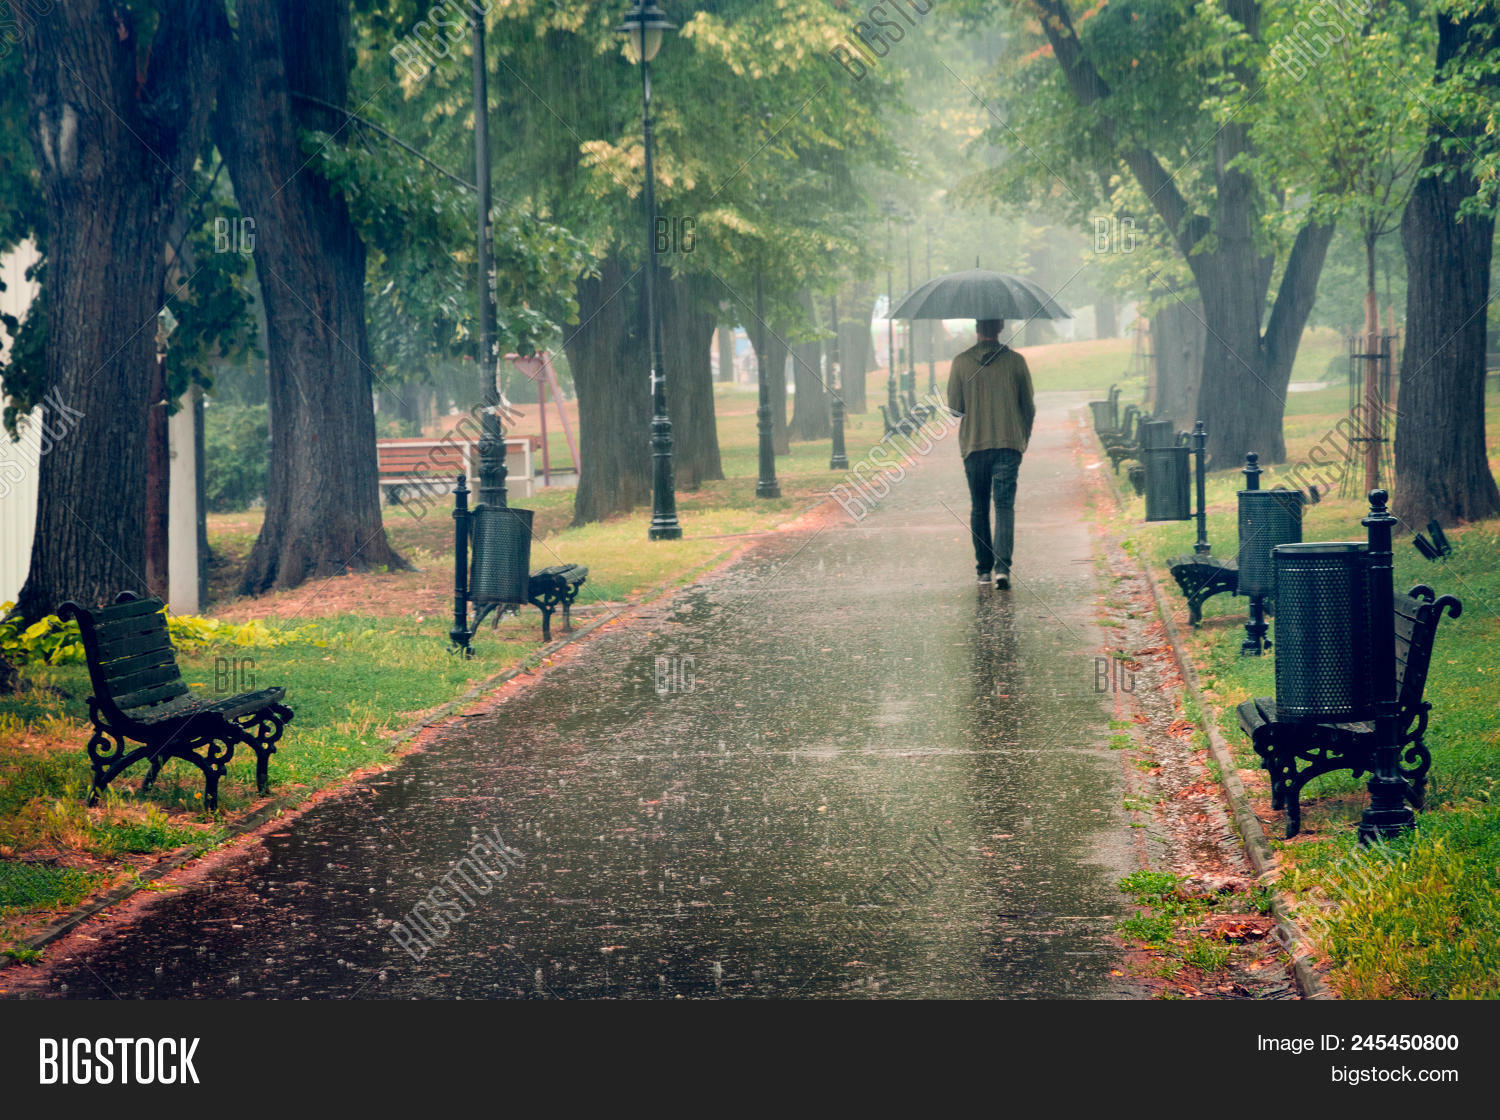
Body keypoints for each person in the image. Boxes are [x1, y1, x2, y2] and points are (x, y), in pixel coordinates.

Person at [946, 318, 1035, 589]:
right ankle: (1002, 569)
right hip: (1008, 444)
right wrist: (1023, 438)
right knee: (1004, 506)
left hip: (974, 445)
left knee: (979, 507)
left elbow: (955, 409)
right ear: (1000, 329)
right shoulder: (1016, 362)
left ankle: (983, 570)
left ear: (977, 330)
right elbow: (1028, 406)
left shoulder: (961, 363)